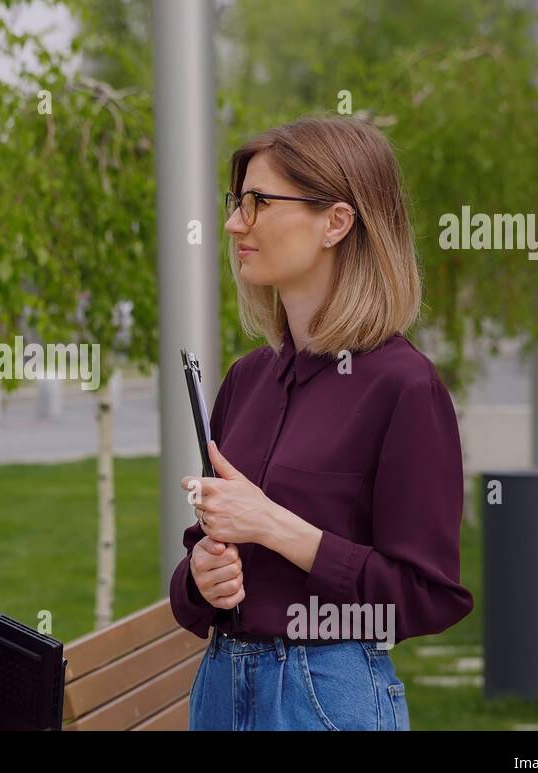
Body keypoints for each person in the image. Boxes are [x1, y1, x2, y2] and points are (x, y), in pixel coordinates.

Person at [171, 116, 474, 731]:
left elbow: (427, 595)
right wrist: (202, 577)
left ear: (337, 221)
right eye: (236, 202)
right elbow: (201, 569)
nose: (234, 224)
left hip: (325, 697)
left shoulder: (405, 387)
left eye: (259, 203)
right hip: (219, 689)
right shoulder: (247, 379)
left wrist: (279, 528)